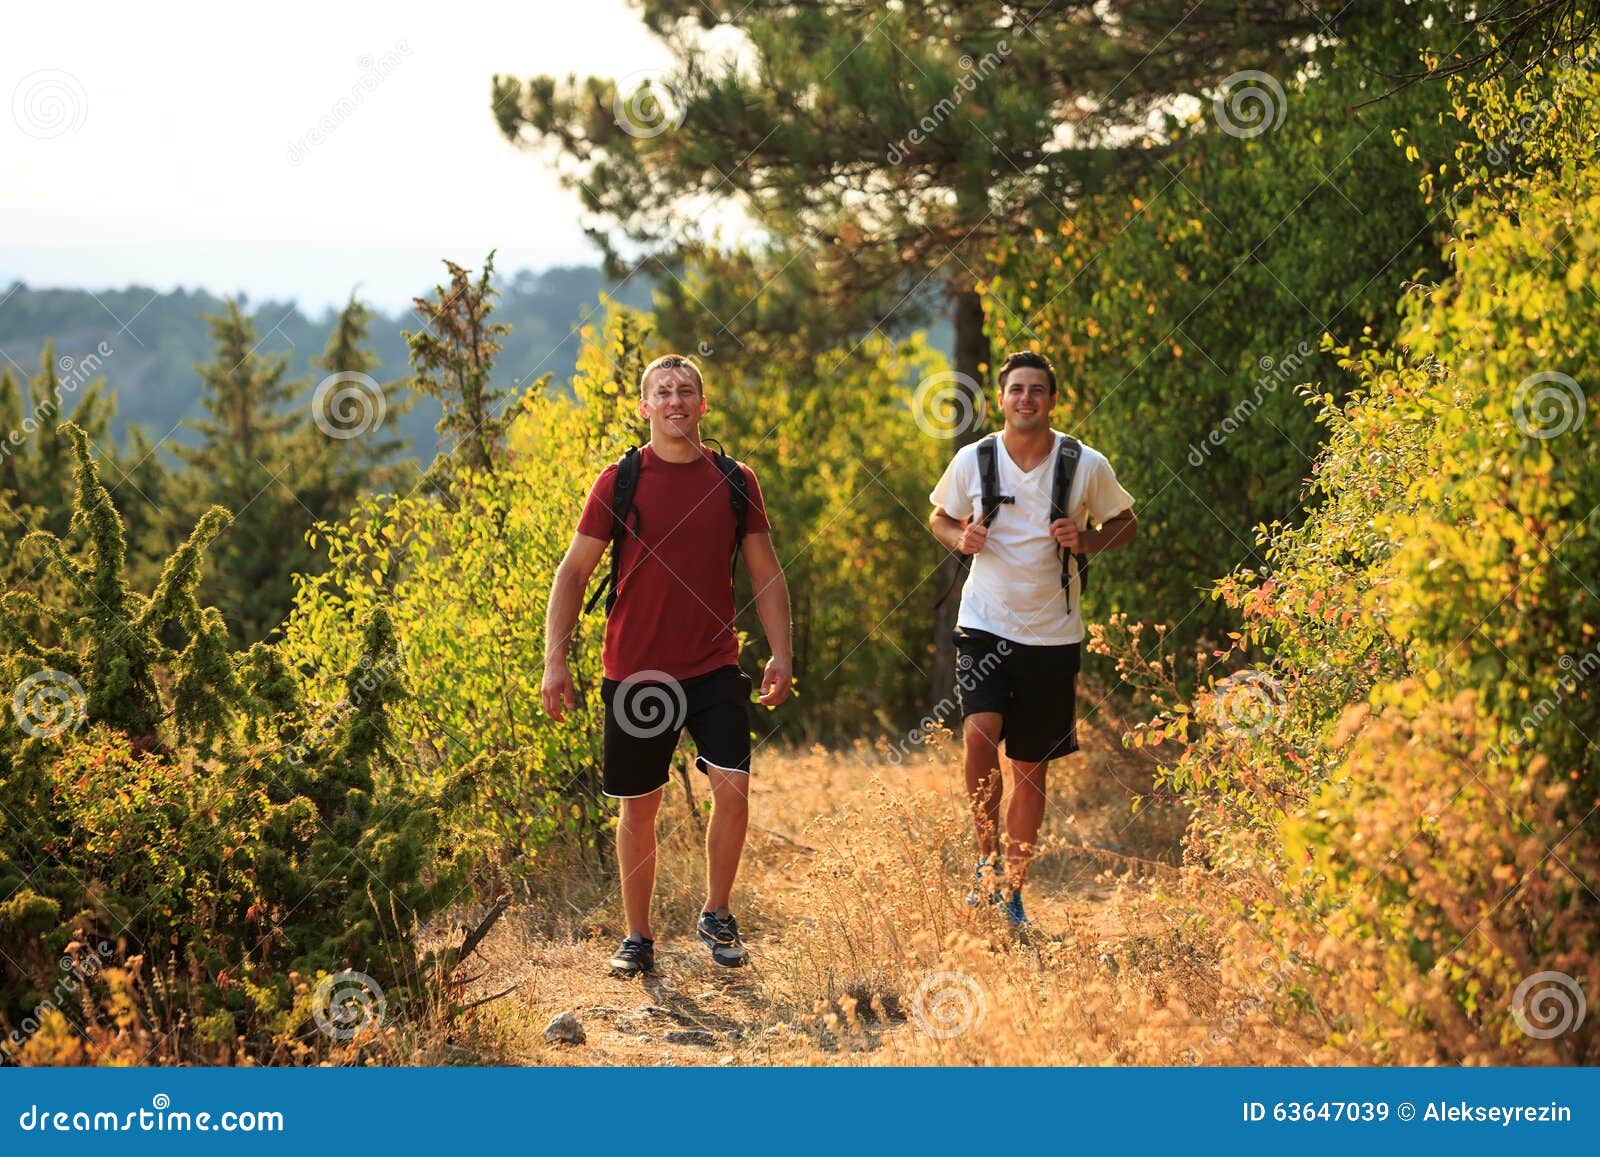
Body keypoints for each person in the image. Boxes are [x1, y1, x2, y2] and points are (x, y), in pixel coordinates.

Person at [541, 354, 793, 975]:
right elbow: (573, 573)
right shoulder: (619, 481)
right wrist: (555, 662)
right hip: (637, 669)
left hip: (713, 665)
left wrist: (782, 654)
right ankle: (638, 936)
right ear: (645, 407)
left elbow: (765, 574)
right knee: (640, 806)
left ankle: (716, 911)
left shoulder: (736, 480)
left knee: (733, 788)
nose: (676, 401)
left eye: (686, 391)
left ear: (702, 405)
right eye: (664, 392)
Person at [927, 350, 1137, 927]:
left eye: (1036, 390)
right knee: (979, 733)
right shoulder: (973, 459)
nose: (1026, 398)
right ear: (1000, 398)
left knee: (1030, 767)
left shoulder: (1083, 463)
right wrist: (958, 538)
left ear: (1051, 399)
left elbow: (1127, 523)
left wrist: (1086, 540)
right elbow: (939, 517)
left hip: (1052, 635)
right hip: (984, 623)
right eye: (1016, 389)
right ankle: (985, 860)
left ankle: (1013, 892)